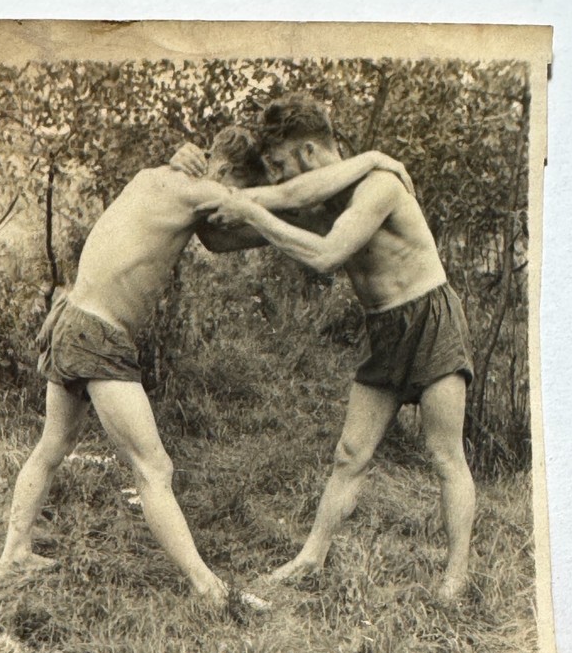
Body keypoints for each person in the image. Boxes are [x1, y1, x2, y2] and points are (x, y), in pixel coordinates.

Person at [0, 125, 412, 607]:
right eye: (234, 185)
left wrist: (291, 231)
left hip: (71, 317)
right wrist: (373, 161)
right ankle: (208, 588)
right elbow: (282, 195)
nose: (231, 195)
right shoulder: (203, 188)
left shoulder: (155, 178)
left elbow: (219, 240)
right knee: (154, 468)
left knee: (55, 443)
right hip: (96, 334)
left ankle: (15, 551)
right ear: (227, 172)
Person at [199, 96, 475, 602]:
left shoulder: (380, 186)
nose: (278, 179)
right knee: (350, 455)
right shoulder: (328, 201)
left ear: (307, 152)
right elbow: (224, 241)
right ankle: (311, 559)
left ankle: (455, 579)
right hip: (385, 330)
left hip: (430, 318)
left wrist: (252, 209)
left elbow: (325, 256)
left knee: (444, 455)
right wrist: (204, 201)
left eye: (280, 166)